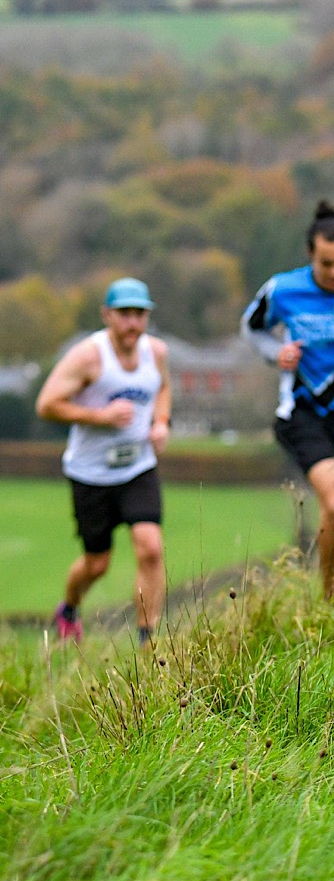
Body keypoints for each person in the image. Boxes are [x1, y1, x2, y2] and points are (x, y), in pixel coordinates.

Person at [241, 200, 334, 603]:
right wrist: (276, 353)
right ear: (310, 255)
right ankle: (330, 602)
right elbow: (251, 329)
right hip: (304, 414)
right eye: (327, 264)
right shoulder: (283, 289)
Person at [35, 277, 172, 647]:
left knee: (150, 547)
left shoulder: (156, 352)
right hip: (90, 473)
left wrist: (160, 423)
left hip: (138, 467)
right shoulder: (87, 356)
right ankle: (70, 609)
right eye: (124, 314)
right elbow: (46, 404)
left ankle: (148, 642)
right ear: (107, 315)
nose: (133, 323)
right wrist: (102, 416)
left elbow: (162, 388)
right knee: (97, 563)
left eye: (140, 314)